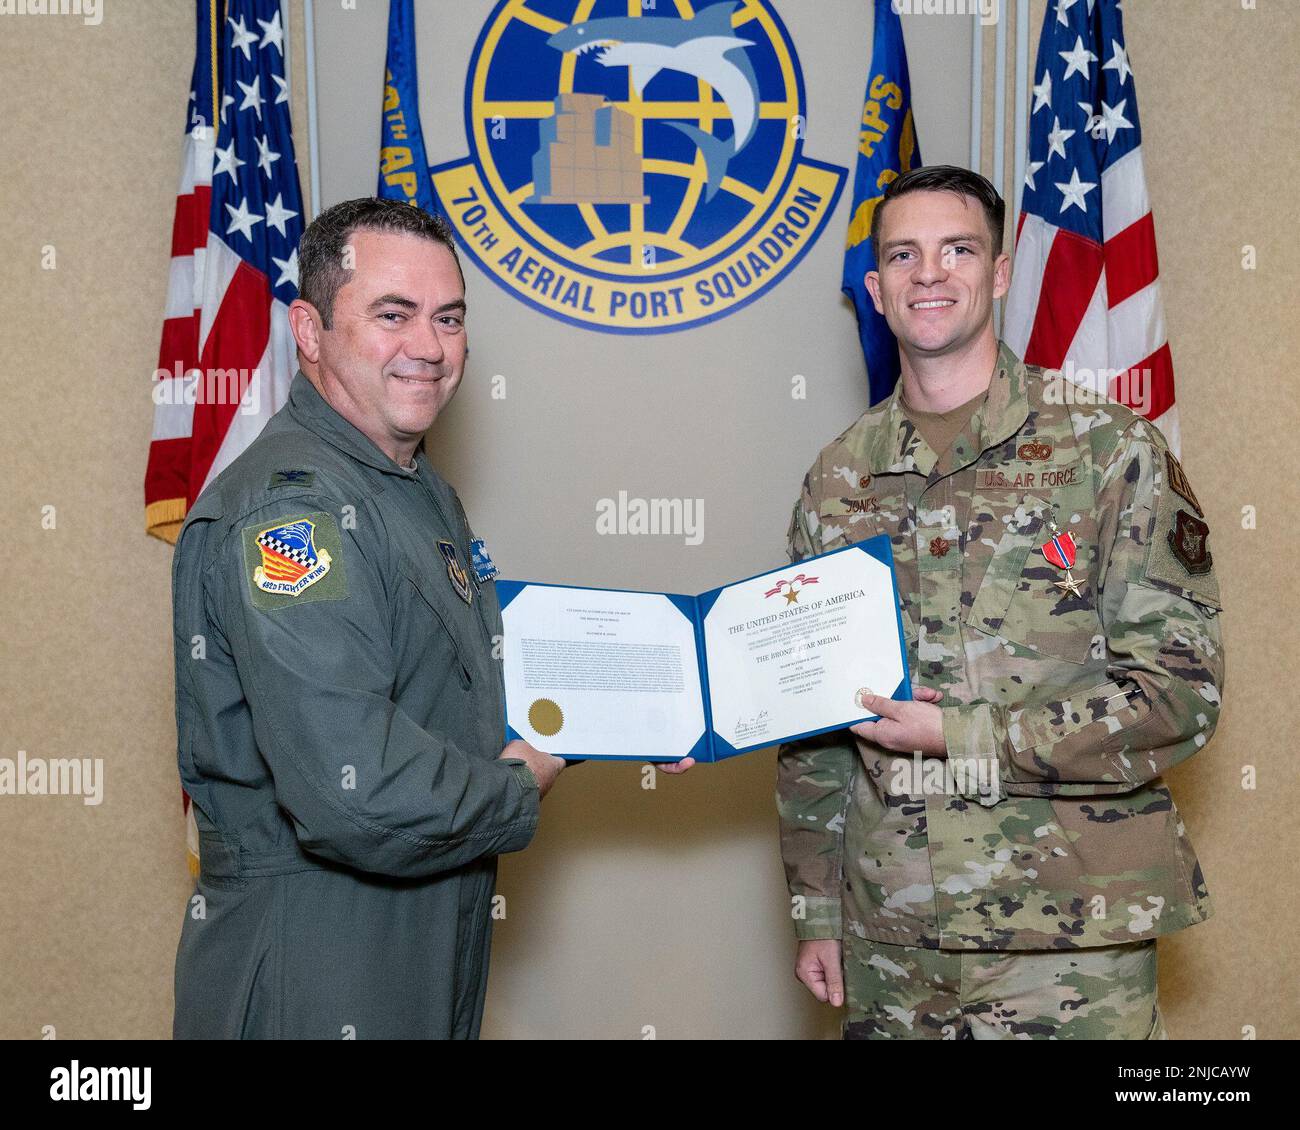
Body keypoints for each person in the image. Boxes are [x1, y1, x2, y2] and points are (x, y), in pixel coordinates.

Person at [777, 165, 1224, 1040]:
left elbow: (1180, 694)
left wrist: (966, 736)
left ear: (1003, 272)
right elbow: (811, 718)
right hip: (893, 933)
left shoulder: (1108, 452)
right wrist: (816, 905)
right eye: (903, 255)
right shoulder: (839, 478)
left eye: (958, 249)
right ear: (875, 288)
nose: (930, 273)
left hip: (1070, 939)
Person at [171, 197, 574, 1038]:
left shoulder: (411, 488)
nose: (428, 347)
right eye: (393, 315)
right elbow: (353, 790)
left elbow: (452, 689)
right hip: (317, 967)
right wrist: (513, 790)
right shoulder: (296, 513)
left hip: (418, 944)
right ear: (309, 332)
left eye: (449, 317)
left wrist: (634, 712)